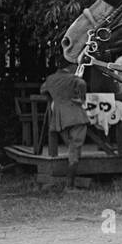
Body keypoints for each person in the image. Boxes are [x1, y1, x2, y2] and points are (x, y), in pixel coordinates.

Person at [41, 62, 92, 191]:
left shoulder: (51, 78)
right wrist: (82, 98)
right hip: (75, 115)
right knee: (75, 149)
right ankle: (70, 185)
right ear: (71, 67)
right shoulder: (72, 78)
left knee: (71, 147)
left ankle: (69, 182)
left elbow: (43, 90)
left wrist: (52, 100)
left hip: (59, 117)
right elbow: (82, 84)